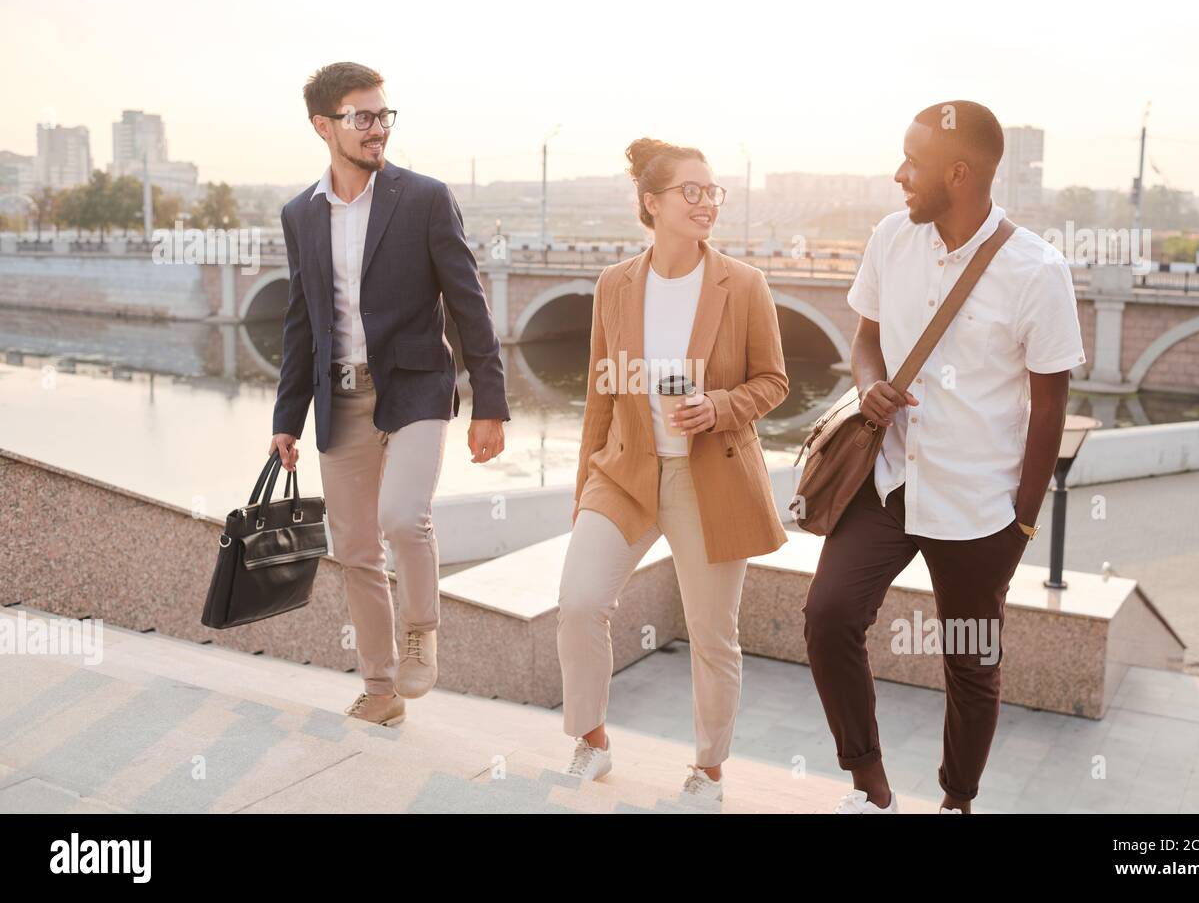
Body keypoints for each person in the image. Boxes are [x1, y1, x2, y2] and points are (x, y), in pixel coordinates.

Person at [802, 101, 1087, 813]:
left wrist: (1021, 526)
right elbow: (865, 340)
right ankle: (870, 785)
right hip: (890, 484)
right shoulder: (891, 239)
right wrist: (870, 388)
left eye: (912, 162)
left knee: (970, 665)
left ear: (958, 173)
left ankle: (957, 802)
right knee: (829, 617)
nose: (898, 175)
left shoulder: (1037, 271)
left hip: (977, 511)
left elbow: (1050, 408)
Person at [269, 62, 509, 727]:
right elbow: (301, 319)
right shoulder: (300, 214)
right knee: (353, 551)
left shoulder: (424, 198)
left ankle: (421, 630)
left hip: (416, 390)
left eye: (383, 116)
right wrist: (287, 416)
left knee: (404, 517)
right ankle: (381, 689)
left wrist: (489, 403)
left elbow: (468, 304)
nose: (377, 129)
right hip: (338, 400)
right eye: (362, 117)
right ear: (324, 126)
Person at [557, 137, 789, 802]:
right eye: (691, 191)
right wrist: (583, 493)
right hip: (624, 471)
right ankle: (592, 740)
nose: (705, 202)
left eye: (711, 191)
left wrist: (718, 406)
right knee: (578, 602)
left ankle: (708, 771)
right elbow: (600, 393)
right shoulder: (616, 284)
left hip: (709, 479)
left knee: (713, 636)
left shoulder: (743, 285)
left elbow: (773, 381)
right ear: (651, 204)